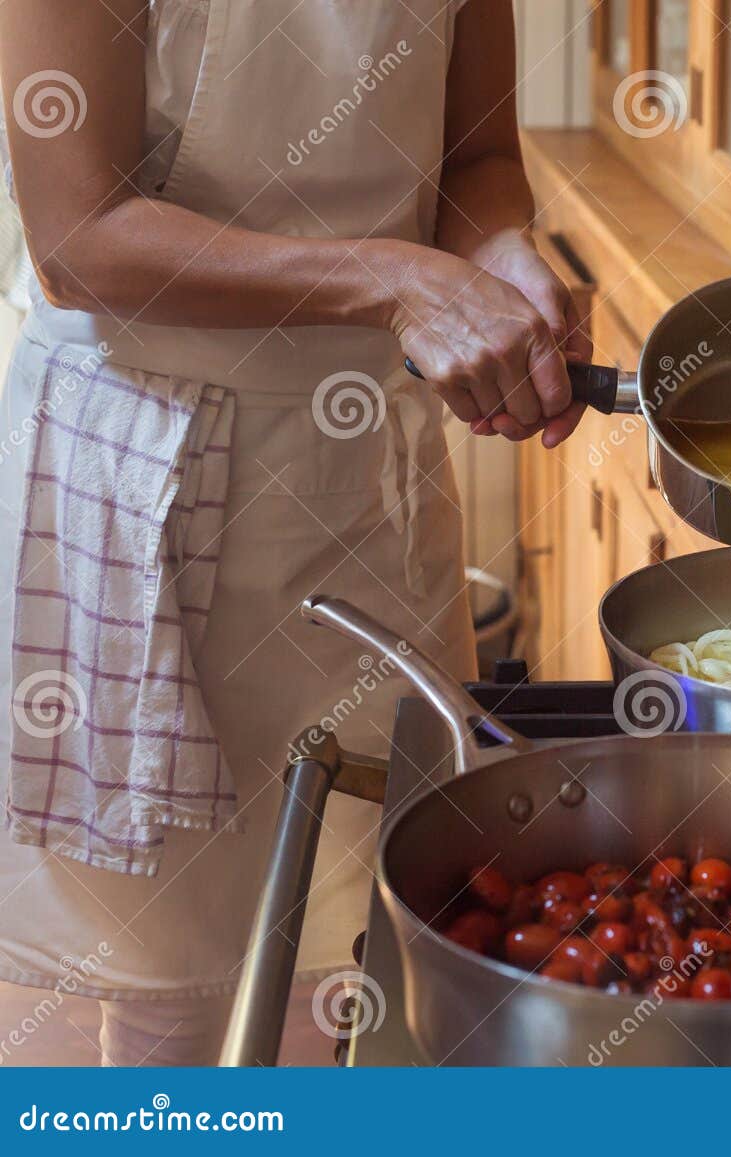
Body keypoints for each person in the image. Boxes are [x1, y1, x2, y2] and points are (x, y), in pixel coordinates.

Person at [0, 0, 590, 1065]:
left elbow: (481, 154)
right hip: (154, 468)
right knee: (176, 965)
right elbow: (79, 237)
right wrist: (397, 280)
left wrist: (498, 249)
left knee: (388, 916)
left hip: (362, 458)